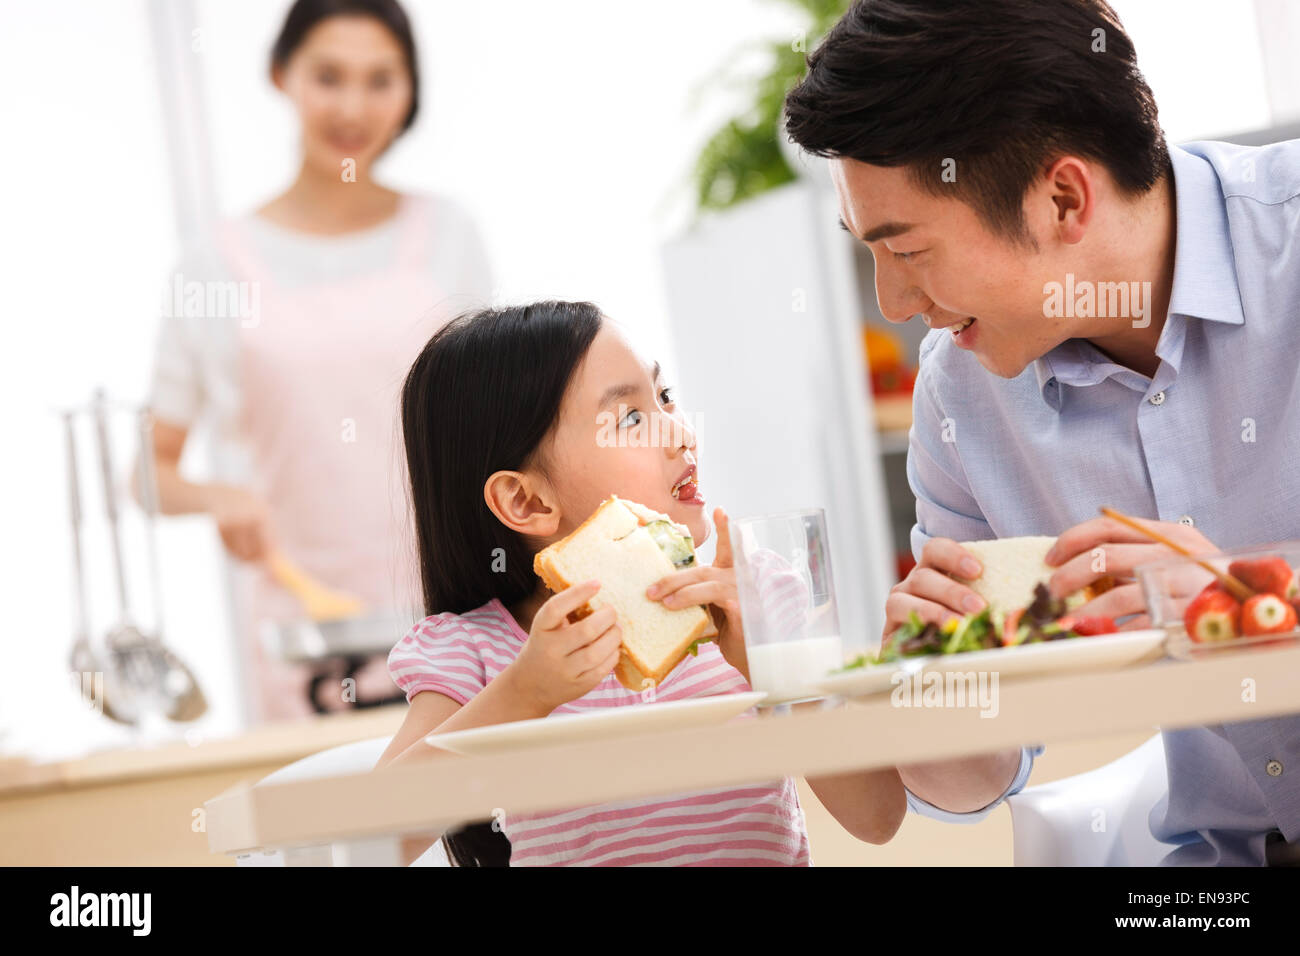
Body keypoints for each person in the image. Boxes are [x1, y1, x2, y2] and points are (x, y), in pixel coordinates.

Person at [783, 0, 1300, 865]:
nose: (894, 305)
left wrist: (1252, 592)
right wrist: (935, 680)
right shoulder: (963, 398)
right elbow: (971, 780)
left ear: (1064, 197)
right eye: (867, 251)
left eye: (906, 250)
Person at [374, 301, 908, 865]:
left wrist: (773, 668)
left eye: (665, 398)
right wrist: (526, 693)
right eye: (629, 418)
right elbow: (374, 839)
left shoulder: (753, 595)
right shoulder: (483, 653)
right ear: (526, 500)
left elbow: (877, 818)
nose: (682, 435)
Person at [147, 0, 493, 723]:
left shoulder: (447, 238)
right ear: (282, 76)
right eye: (328, 76)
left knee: (468, 826)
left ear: (410, 91)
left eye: (380, 80)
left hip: (454, 616)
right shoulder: (214, 264)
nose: (353, 107)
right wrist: (216, 495)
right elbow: (151, 474)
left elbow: (489, 425)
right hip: (304, 641)